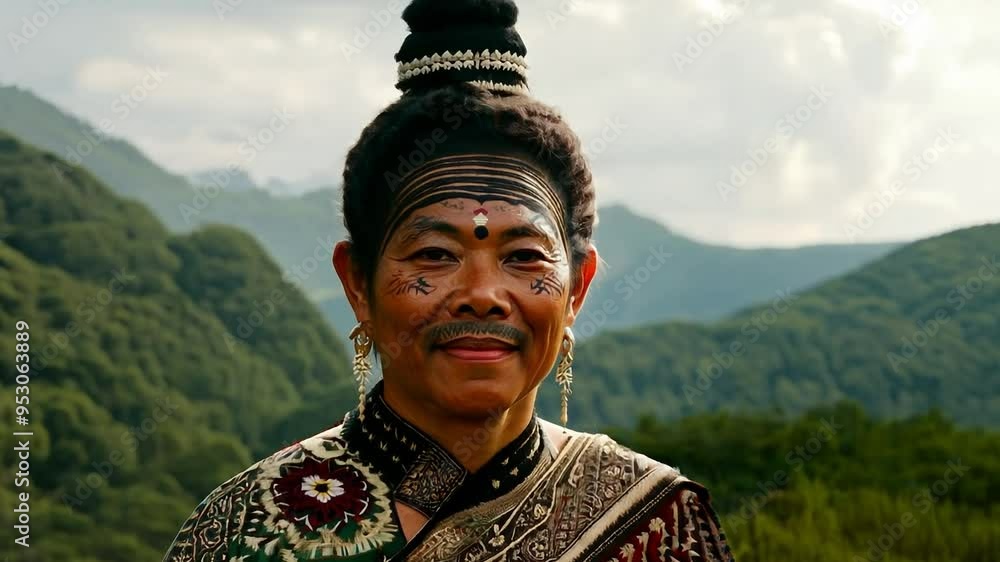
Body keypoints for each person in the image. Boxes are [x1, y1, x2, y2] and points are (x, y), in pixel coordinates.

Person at [162, 0, 735, 560]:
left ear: (578, 287)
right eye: (435, 254)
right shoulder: (247, 532)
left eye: (524, 257)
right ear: (357, 282)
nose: (483, 295)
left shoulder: (659, 529)